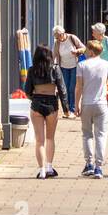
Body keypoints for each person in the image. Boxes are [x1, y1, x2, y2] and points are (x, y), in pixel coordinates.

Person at [24, 44, 68, 179]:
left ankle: (41, 170)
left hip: (36, 103)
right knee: (50, 138)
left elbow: (27, 91)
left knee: (39, 140)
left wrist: (34, 97)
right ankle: (49, 166)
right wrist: (66, 108)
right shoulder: (55, 69)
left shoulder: (32, 70)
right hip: (51, 104)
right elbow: (62, 89)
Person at [76, 39, 108, 179]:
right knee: (101, 135)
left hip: (86, 104)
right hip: (101, 105)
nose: (86, 52)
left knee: (87, 134)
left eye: (87, 49)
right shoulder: (106, 65)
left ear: (91, 51)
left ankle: (89, 165)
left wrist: (77, 104)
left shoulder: (81, 65)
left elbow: (79, 87)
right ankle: (99, 167)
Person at [52, 25, 85, 117]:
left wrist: (77, 51)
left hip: (75, 66)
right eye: (56, 37)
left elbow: (84, 48)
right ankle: (67, 110)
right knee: (65, 89)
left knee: (72, 88)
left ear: (62, 33)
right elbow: (53, 55)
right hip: (63, 67)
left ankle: (73, 109)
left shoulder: (72, 38)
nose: (58, 39)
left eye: (59, 37)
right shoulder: (57, 43)